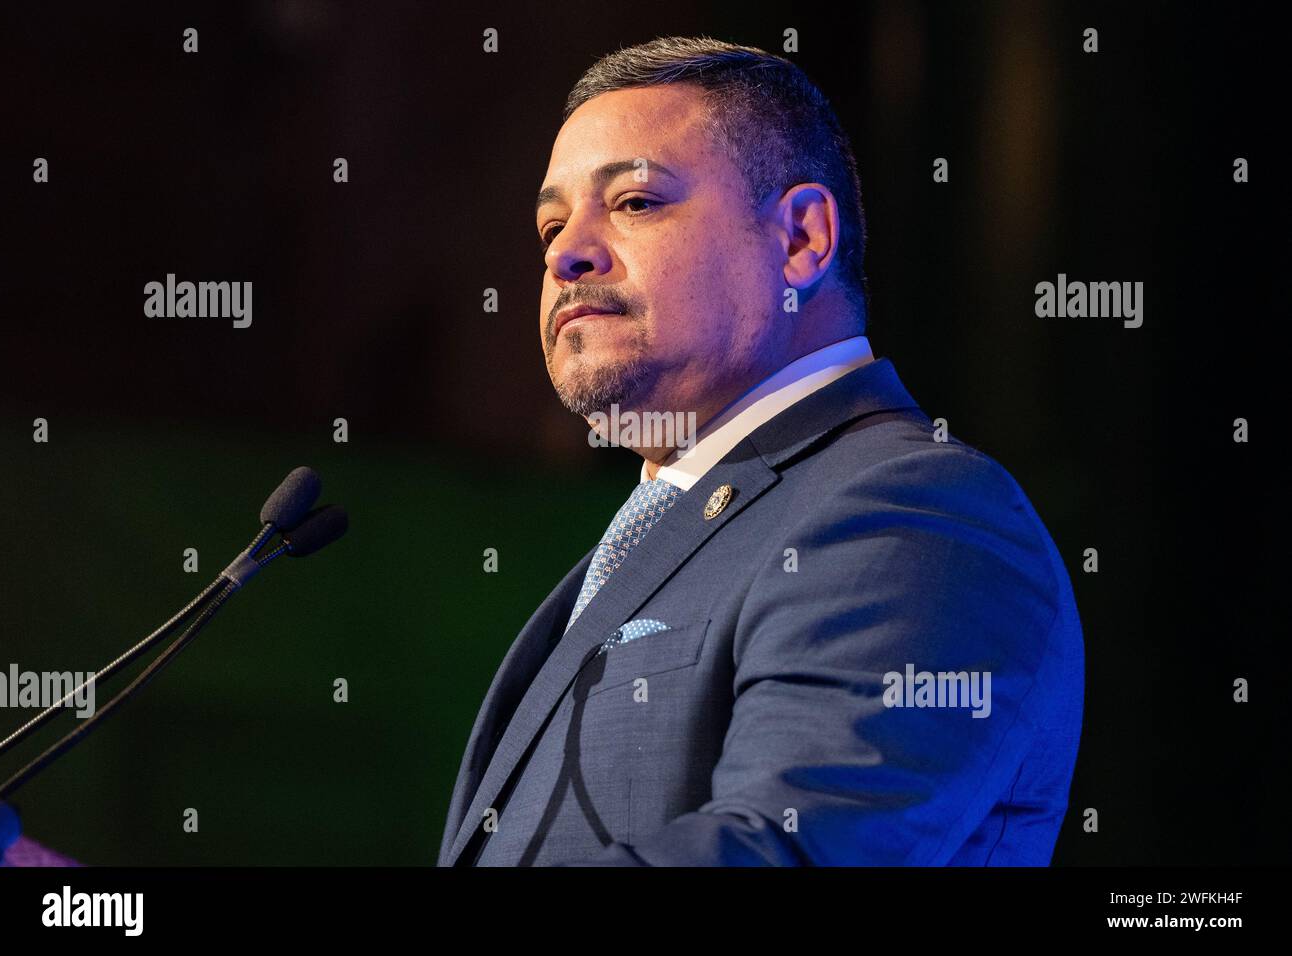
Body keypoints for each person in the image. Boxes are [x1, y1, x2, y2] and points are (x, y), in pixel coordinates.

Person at [438, 36, 1084, 866]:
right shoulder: (656, 537)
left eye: (634, 201)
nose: (565, 253)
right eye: (552, 225)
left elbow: (780, 848)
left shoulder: (915, 512)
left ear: (801, 240)